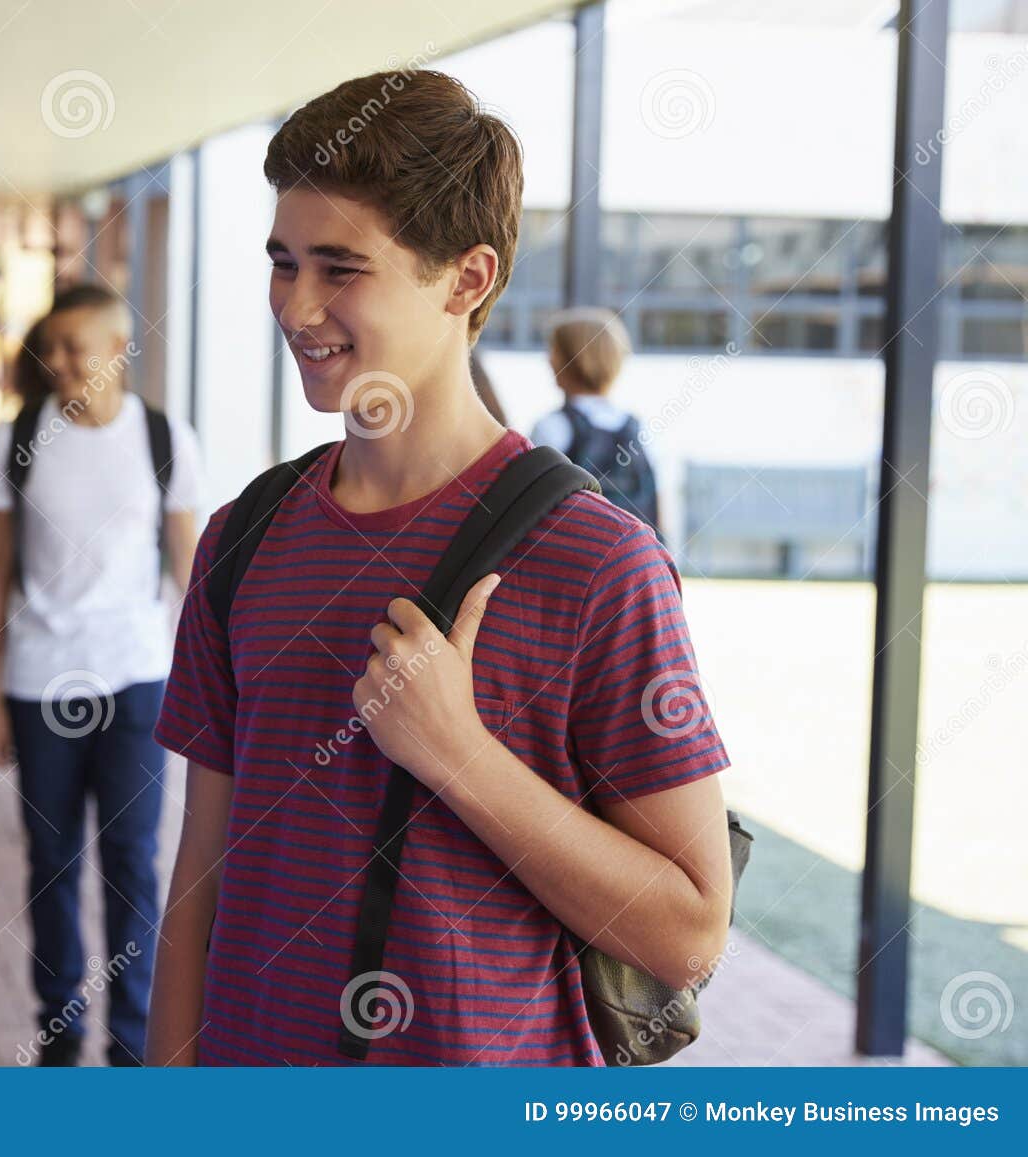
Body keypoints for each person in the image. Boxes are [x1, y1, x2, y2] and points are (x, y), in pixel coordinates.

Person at [146, 71, 733, 1067]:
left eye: (340, 269)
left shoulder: (598, 562)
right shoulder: (243, 536)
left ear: (465, 279)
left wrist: (456, 752)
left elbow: (685, 931)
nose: (296, 305)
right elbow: (202, 871)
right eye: (282, 263)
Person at [0, 285, 202, 1066]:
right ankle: (60, 1029)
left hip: (138, 679)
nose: (61, 361)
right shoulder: (19, 438)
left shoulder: (165, 438)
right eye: (54, 347)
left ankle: (133, 1041)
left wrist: (215, 690)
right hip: (40, 682)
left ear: (118, 347)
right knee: (51, 861)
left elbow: (188, 573)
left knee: (135, 863)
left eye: (77, 346)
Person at [531, 308, 661, 536]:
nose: (548, 359)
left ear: (570, 360)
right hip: (629, 559)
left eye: (554, 351)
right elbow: (657, 505)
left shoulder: (552, 428)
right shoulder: (639, 429)